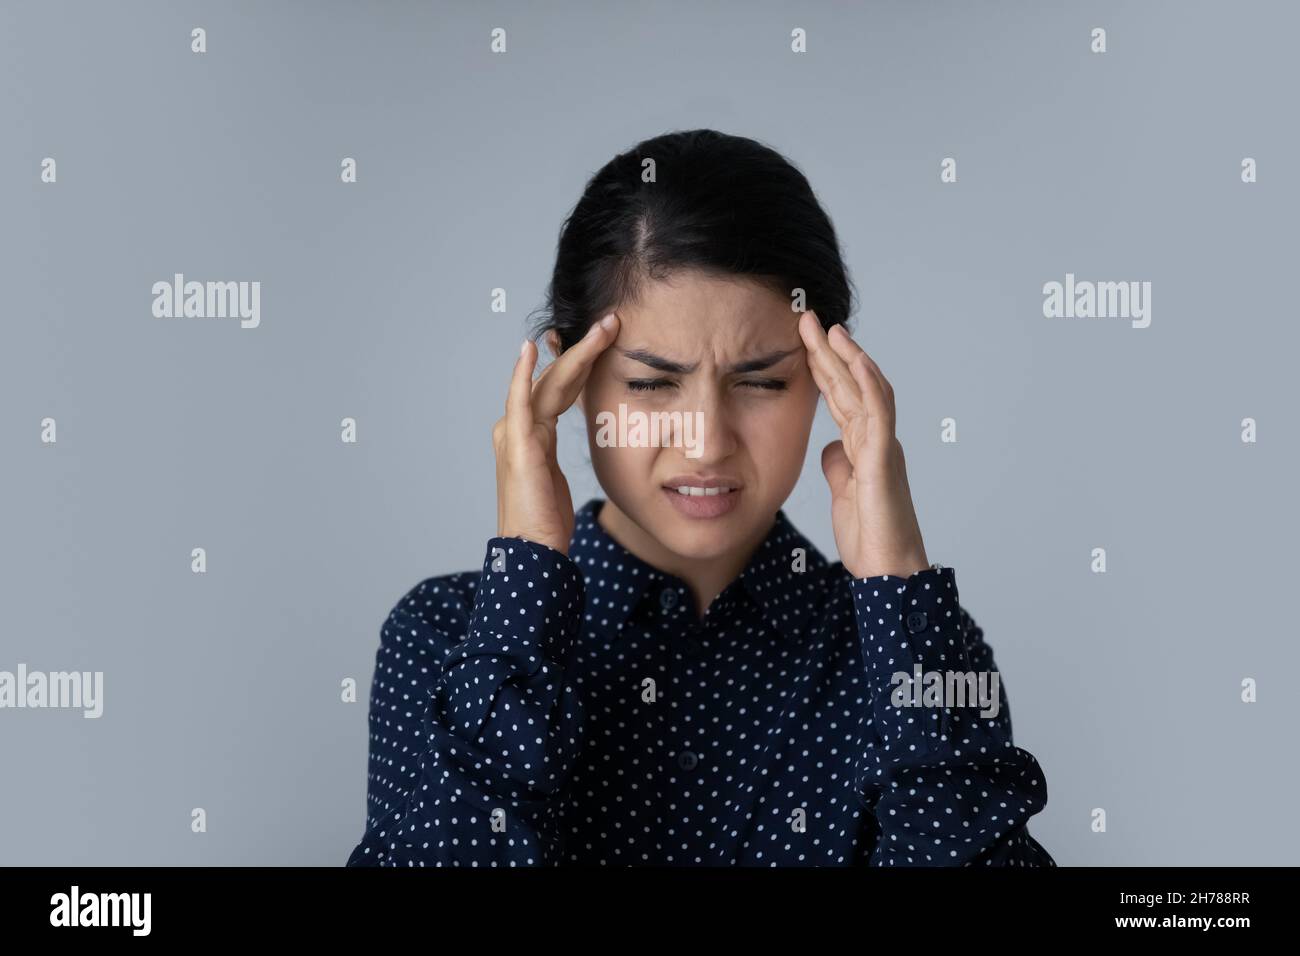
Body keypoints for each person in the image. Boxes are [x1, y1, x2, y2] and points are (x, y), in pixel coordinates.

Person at [346, 129, 1054, 866]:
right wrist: (524, 578)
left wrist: (899, 579)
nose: (707, 443)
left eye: (762, 381)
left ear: (831, 378)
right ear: (569, 380)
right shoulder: (450, 637)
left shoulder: (914, 651)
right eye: (651, 383)